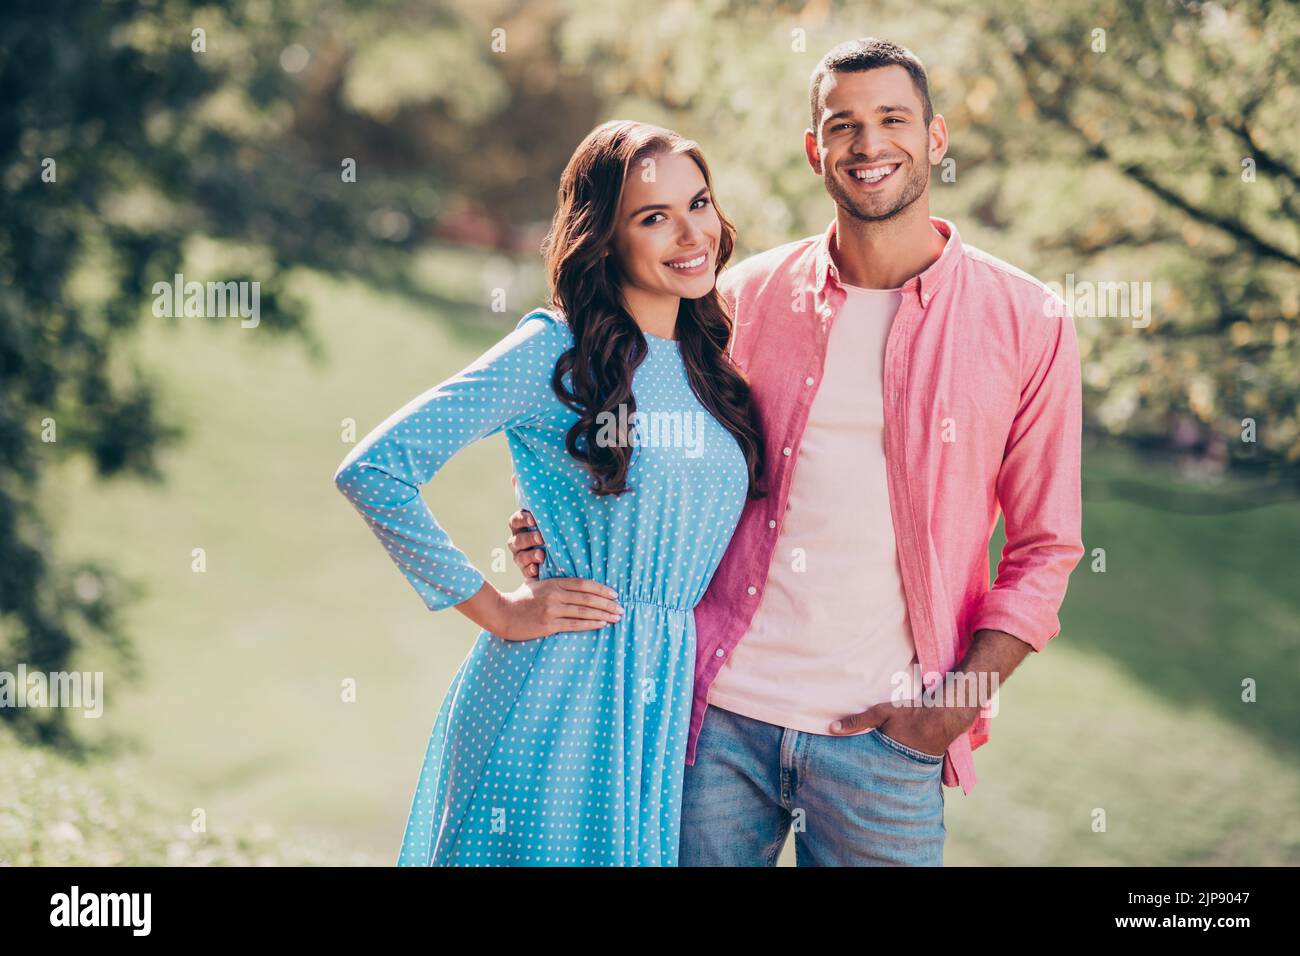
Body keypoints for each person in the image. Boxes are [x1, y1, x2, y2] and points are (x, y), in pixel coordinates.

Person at [508, 37, 1084, 866]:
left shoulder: (1027, 321)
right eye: (842, 124)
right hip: (712, 727)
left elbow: (1045, 550)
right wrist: (553, 524)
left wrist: (944, 715)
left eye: (892, 119)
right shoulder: (740, 299)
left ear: (936, 138)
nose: (868, 144)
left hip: (886, 751)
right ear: (816, 150)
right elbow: (638, 437)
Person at [333, 120, 765, 865]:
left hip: (657, 700)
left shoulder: (712, 365)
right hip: (555, 689)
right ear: (605, 238)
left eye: (697, 203)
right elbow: (375, 470)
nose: (690, 232)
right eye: (653, 217)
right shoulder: (553, 350)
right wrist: (497, 609)